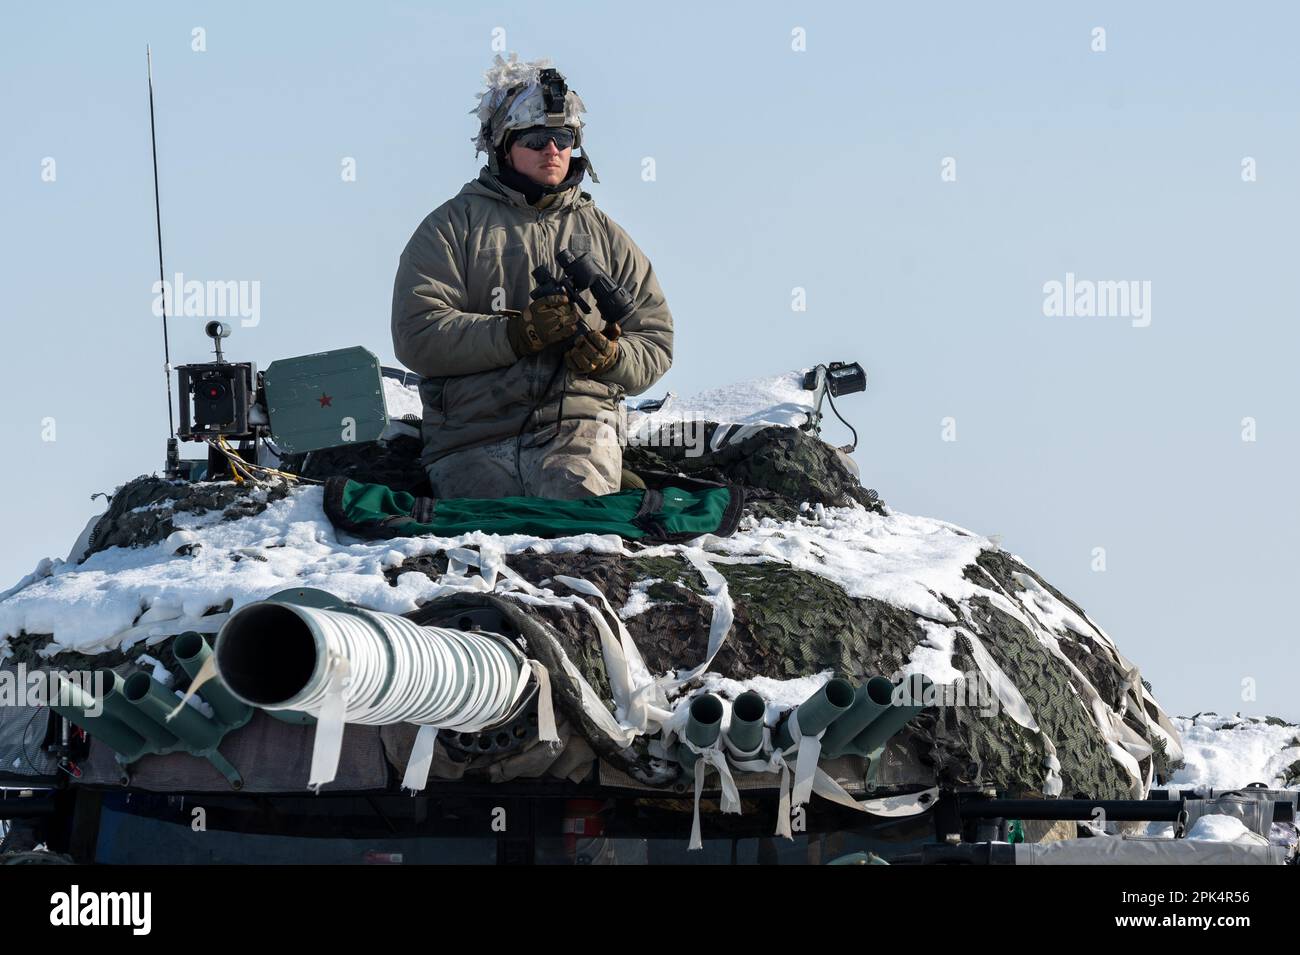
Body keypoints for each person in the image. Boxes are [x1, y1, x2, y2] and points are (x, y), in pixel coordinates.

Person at [391, 55, 673, 500]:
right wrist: (516, 334)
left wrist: (610, 359)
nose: (553, 150)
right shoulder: (449, 228)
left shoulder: (608, 236)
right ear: (504, 146)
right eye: (537, 139)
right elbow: (417, 335)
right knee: (489, 539)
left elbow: (655, 341)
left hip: (580, 431)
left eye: (563, 138)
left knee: (579, 530)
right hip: (472, 438)